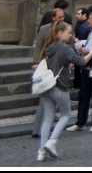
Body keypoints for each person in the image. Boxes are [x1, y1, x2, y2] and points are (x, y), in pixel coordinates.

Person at [36, 22, 92, 161]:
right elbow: (81, 61)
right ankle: (52, 141)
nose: (71, 35)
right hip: (59, 85)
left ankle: (41, 150)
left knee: (48, 117)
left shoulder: (48, 47)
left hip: (45, 86)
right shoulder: (65, 48)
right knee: (66, 115)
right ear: (60, 33)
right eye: (68, 33)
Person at [30, 8, 66, 138]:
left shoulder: (66, 29)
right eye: (60, 17)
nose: (62, 19)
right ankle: (38, 129)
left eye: (63, 17)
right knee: (44, 98)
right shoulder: (45, 29)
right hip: (45, 65)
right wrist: (36, 62)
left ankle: (40, 129)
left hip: (59, 68)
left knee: (47, 100)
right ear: (53, 17)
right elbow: (38, 46)